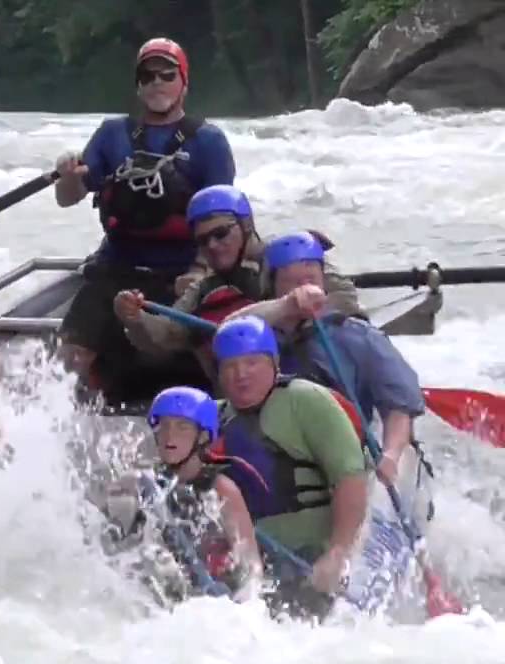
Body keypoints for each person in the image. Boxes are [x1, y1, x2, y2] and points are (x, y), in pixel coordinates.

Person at [52, 38, 237, 406]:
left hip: (182, 272)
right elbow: (67, 197)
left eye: (167, 74)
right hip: (116, 267)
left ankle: (225, 412)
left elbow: (222, 219)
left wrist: (201, 271)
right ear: (138, 84)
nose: (157, 82)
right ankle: (63, 420)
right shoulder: (111, 134)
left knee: (201, 345)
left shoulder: (209, 142)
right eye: (147, 75)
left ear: (183, 82)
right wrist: (68, 174)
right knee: (71, 357)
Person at [233, 231, 427, 490]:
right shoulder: (256, 338)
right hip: (283, 457)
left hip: (346, 456)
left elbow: (399, 406)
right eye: (291, 282)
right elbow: (228, 330)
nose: (303, 289)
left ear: (323, 282)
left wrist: (391, 455)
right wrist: (285, 307)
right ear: (273, 288)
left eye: (310, 279)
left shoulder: (357, 336)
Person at [114, 186, 363, 384]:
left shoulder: (287, 256)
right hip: (248, 398)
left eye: (220, 233)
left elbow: (345, 298)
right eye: (202, 240)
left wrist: (299, 311)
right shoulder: (205, 289)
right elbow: (166, 334)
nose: (212, 245)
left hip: (314, 378)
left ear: (246, 227)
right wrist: (135, 318)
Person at [209, 315, 370, 618]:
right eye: (230, 366)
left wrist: (337, 552)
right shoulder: (216, 418)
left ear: (274, 363)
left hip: (311, 551)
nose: (240, 374)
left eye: (252, 363)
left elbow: (350, 478)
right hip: (256, 559)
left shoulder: (306, 401)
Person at [103, 386, 264, 603]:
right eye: (164, 426)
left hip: (211, 597)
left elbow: (250, 565)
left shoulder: (221, 490)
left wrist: (245, 604)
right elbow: (108, 546)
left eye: (182, 427)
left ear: (203, 436)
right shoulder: (137, 482)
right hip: (156, 594)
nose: (170, 435)